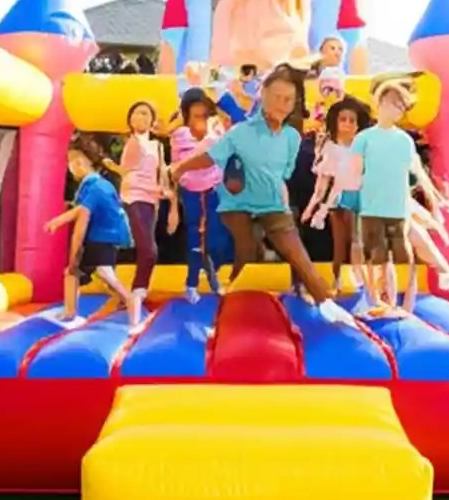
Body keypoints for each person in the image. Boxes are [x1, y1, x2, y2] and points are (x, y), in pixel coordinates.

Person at [168, 65, 351, 325]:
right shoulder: (241, 132)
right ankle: (225, 294)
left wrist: (280, 196)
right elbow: (209, 156)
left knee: (296, 252)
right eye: (277, 97)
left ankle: (326, 303)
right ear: (263, 95)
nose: (282, 104)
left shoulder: (291, 137)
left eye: (288, 99)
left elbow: (283, 173)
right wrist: (180, 168)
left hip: (271, 204)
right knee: (245, 247)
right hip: (238, 204)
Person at [350, 79, 435, 314]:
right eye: (393, 103)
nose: (397, 109)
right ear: (380, 103)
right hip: (371, 208)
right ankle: (377, 302)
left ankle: (405, 305)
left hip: (397, 209)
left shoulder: (404, 140)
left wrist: (430, 200)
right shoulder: (364, 138)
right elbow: (355, 172)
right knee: (375, 258)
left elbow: (414, 172)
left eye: (401, 106)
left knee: (404, 258)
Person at [44, 137, 141, 327]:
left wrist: (74, 250)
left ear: (82, 162)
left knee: (83, 272)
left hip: (99, 238)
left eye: (73, 161)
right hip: (107, 238)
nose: (71, 166)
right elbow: (80, 209)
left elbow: (83, 217)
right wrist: (58, 221)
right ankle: (72, 311)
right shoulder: (99, 185)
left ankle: (129, 301)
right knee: (93, 274)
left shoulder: (95, 187)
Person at [301, 96, 374, 311]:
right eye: (343, 119)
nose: (348, 124)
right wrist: (312, 207)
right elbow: (322, 184)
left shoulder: (363, 148)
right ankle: (338, 281)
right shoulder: (331, 149)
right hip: (338, 197)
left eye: (352, 120)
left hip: (359, 196)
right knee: (339, 242)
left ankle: (361, 284)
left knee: (357, 240)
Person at [169, 88, 231, 303]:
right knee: (195, 238)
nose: (200, 117)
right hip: (192, 191)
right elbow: (181, 164)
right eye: (195, 112)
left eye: (203, 112)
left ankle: (212, 274)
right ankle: (192, 283)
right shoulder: (180, 135)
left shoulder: (216, 129)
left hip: (214, 188)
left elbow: (220, 152)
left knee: (217, 239)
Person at [118, 101, 170, 305]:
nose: (141, 117)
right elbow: (126, 174)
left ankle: (137, 291)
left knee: (146, 249)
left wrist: (166, 192)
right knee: (149, 249)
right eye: (137, 113)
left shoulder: (157, 146)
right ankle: (137, 292)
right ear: (130, 120)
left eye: (146, 114)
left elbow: (162, 172)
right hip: (133, 198)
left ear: (152, 120)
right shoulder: (132, 143)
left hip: (151, 199)